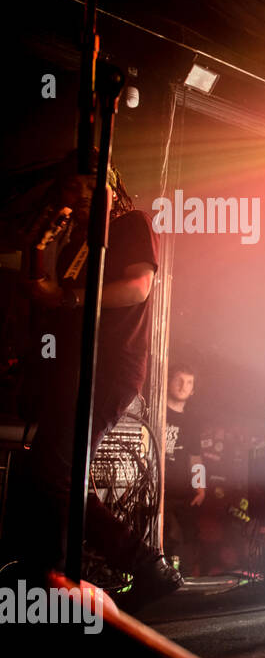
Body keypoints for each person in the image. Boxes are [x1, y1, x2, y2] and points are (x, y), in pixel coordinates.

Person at [11, 153, 183, 608]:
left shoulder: (129, 226)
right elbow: (45, 300)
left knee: (56, 472)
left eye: (92, 186)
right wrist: (37, 251)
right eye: (73, 188)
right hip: (72, 369)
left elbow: (137, 288)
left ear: (112, 185)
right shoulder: (75, 245)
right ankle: (74, 571)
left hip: (111, 367)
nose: (83, 196)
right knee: (52, 473)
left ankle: (138, 564)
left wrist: (65, 297)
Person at [163, 361, 205, 575]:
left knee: (189, 535)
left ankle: (187, 577)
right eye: (179, 380)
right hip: (157, 488)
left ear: (193, 390)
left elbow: (195, 456)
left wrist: (200, 486)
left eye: (189, 383)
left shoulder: (192, 421)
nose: (183, 386)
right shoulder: (156, 411)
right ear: (169, 381)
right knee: (164, 534)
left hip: (182, 489)